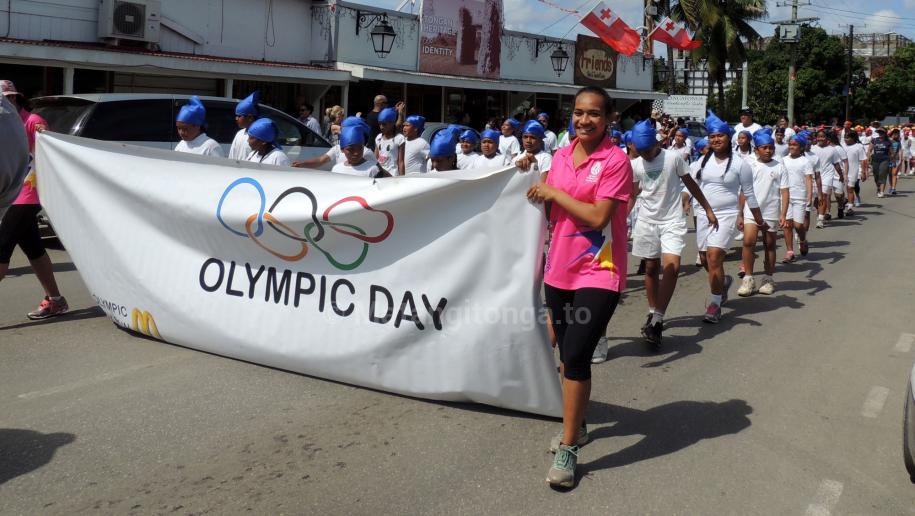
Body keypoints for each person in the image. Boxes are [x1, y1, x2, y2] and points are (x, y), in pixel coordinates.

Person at [523, 86, 632, 489]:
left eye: (594, 114)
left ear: (609, 118)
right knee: (566, 356)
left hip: (600, 271)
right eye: (579, 113)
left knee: (576, 355)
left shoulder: (616, 161)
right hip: (559, 270)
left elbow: (598, 217)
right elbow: (546, 200)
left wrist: (553, 190)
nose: (585, 120)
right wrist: (527, 175)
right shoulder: (561, 156)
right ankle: (579, 423)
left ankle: (569, 448)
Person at [627, 119, 716, 348]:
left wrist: (707, 209)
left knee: (672, 267)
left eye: (648, 151)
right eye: (640, 152)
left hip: (672, 221)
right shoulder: (636, 165)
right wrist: (621, 220)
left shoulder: (673, 158)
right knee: (650, 268)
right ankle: (652, 312)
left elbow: (691, 184)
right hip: (647, 221)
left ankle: (658, 319)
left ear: (656, 143)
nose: (645, 155)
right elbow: (633, 194)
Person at [0, 79, 69, 319]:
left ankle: (56, 300)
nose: (5, 104)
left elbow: (50, 154)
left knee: (2, 250)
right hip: (11, 193)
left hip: (28, 194)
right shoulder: (5, 123)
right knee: (33, 247)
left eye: (7, 99)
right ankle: (56, 300)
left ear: (15, 98)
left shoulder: (33, 121)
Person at [695, 111, 766, 324]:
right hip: (703, 214)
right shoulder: (702, 161)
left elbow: (749, 193)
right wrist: (685, 200)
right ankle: (723, 282)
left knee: (715, 256)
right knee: (706, 259)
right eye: (712, 136)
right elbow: (692, 185)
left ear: (729, 138)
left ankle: (715, 303)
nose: (716, 139)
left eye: (720, 135)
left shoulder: (740, 164)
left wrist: (759, 220)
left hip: (726, 215)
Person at [737, 130, 789, 296]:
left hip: (771, 211)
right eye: (764, 147)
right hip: (751, 211)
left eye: (770, 147)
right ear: (756, 150)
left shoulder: (779, 166)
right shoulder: (750, 166)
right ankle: (748, 279)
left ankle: (768, 279)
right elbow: (744, 191)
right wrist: (740, 214)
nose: (768, 150)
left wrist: (783, 214)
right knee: (748, 242)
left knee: (769, 245)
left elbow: (784, 192)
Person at [780, 134, 815, 263]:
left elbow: (809, 179)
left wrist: (809, 196)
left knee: (798, 225)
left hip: (800, 196)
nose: (791, 147)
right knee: (787, 225)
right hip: (785, 196)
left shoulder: (805, 161)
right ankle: (790, 251)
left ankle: (802, 240)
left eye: (795, 145)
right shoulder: (783, 160)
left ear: (801, 147)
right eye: (790, 144)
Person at [293, 116, 375, 170]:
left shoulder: (366, 152)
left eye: (343, 129)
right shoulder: (337, 149)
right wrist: (303, 164)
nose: (340, 130)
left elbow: (377, 172)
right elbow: (321, 160)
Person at [0, 94, 29, 219]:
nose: (10, 99)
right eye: (7, 96)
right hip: (14, 189)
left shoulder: (31, 119)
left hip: (22, 183)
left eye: (12, 96)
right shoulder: (15, 118)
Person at [810, 129, 844, 228]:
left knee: (823, 195)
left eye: (823, 136)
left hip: (827, 176)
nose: (820, 138)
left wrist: (841, 175)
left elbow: (836, 164)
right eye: (819, 136)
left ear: (827, 138)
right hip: (815, 176)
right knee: (817, 199)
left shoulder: (832, 150)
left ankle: (820, 219)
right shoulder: (812, 149)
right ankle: (820, 212)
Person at [374, 107, 405, 176]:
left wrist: (402, 178)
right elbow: (375, 159)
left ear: (392, 123)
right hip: (380, 175)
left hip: (393, 175)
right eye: (380, 124)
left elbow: (401, 162)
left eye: (384, 124)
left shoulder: (399, 138)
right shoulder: (378, 138)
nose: (381, 127)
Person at [229, 91, 259, 160]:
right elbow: (231, 157)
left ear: (250, 117)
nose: (236, 118)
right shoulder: (239, 134)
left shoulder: (259, 138)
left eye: (239, 116)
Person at [842, 131, 867, 212]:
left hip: (854, 171)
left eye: (847, 138)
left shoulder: (859, 146)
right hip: (842, 171)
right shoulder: (842, 146)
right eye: (844, 137)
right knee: (841, 190)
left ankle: (850, 207)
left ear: (853, 138)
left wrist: (863, 172)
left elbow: (863, 160)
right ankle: (844, 201)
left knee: (850, 188)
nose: (845, 139)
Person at [871, 128, 893, 198]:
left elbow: (891, 153)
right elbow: (869, 150)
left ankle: (881, 191)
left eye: (882, 132)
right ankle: (878, 187)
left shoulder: (888, 142)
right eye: (879, 132)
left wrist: (892, 161)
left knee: (882, 174)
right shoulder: (874, 140)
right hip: (875, 160)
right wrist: (868, 158)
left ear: (885, 133)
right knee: (876, 176)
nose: (880, 134)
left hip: (885, 160)